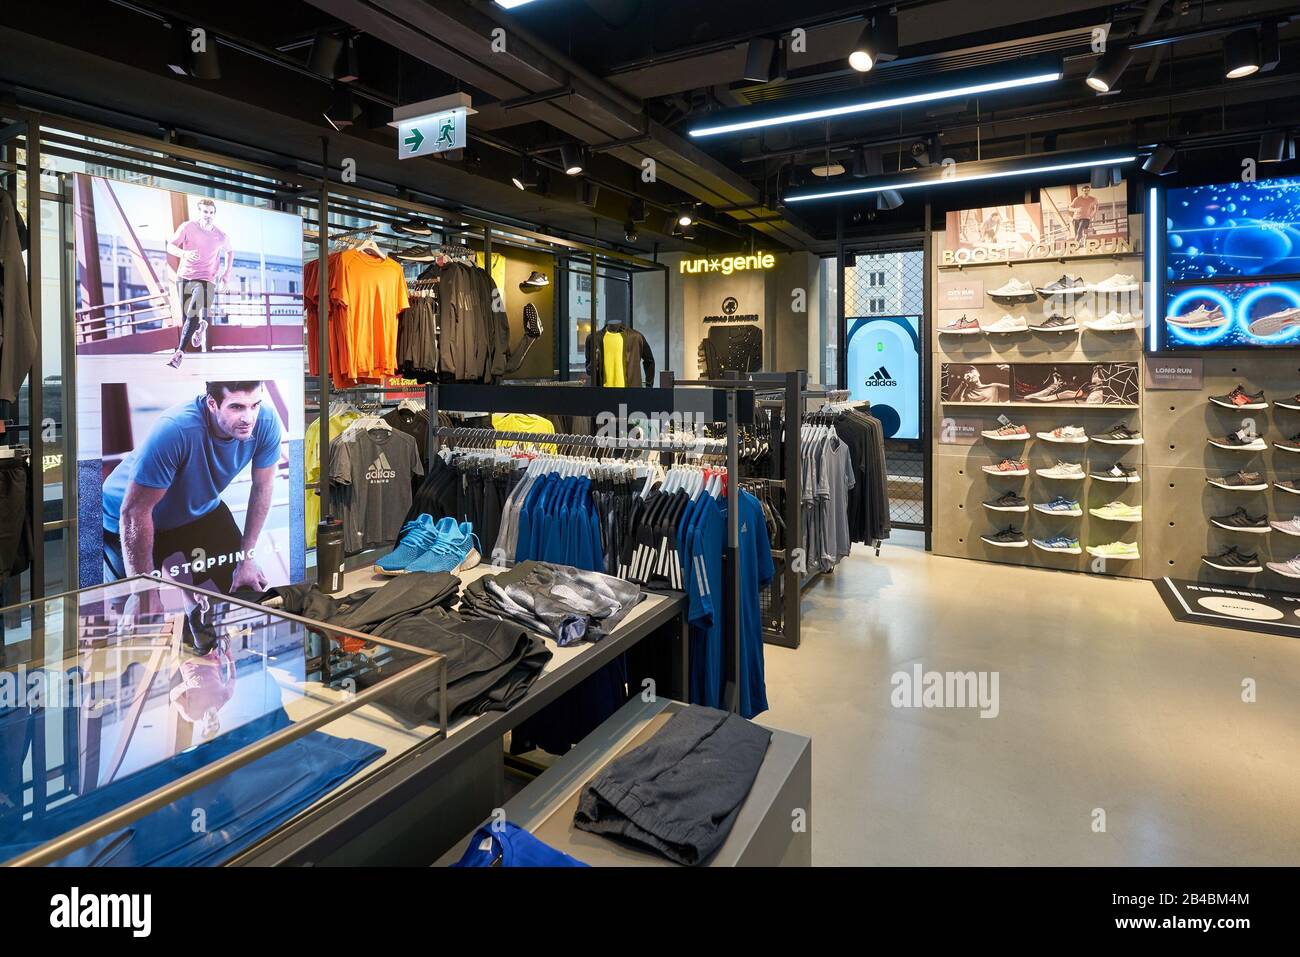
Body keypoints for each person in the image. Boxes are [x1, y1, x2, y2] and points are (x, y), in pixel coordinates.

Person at [102, 381, 282, 595]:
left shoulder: (266, 421)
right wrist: (143, 594)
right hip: (130, 516)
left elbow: (263, 487)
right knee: (138, 612)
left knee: (245, 586)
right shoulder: (176, 429)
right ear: (212, 404)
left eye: (254, 405)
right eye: (236, 407)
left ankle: (198, 617)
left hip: (199, 508)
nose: (248, 418)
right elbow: (134, 513)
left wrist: (246, 558)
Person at [165, 198, 232, 369]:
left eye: (211, 213)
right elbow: (170, 247)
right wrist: (183, 254)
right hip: (185, 276)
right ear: (199, 212)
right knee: (188, 317)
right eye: (205, 212)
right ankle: (200, 326)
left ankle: (179, 353)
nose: (208, 215)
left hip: (206, 279)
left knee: (193, 312)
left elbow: (230, 251)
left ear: (214, 214)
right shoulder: (187, 227)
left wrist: (226, 274)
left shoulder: (221, 236)